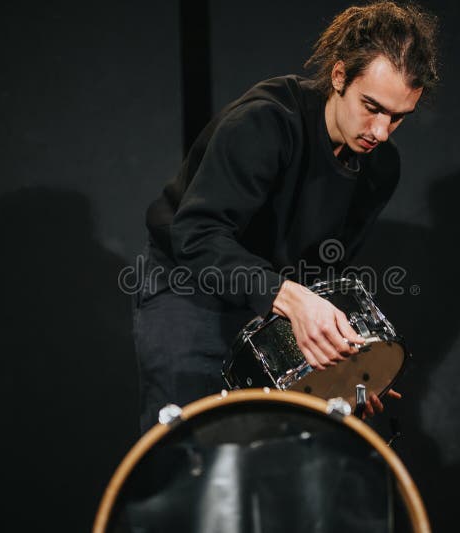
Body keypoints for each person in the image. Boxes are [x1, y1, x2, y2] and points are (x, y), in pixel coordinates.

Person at [133, 1, 439, 433]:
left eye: (397, 117)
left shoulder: (380, 167)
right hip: (189, 285)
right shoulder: (265, 124)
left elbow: (325, 271)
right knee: (185, 451)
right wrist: (290, 298)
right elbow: (196, 235)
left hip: (273, 304)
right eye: (371, 107)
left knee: (274, 455)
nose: (381, 131)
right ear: (338, 77)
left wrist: (349, 373)